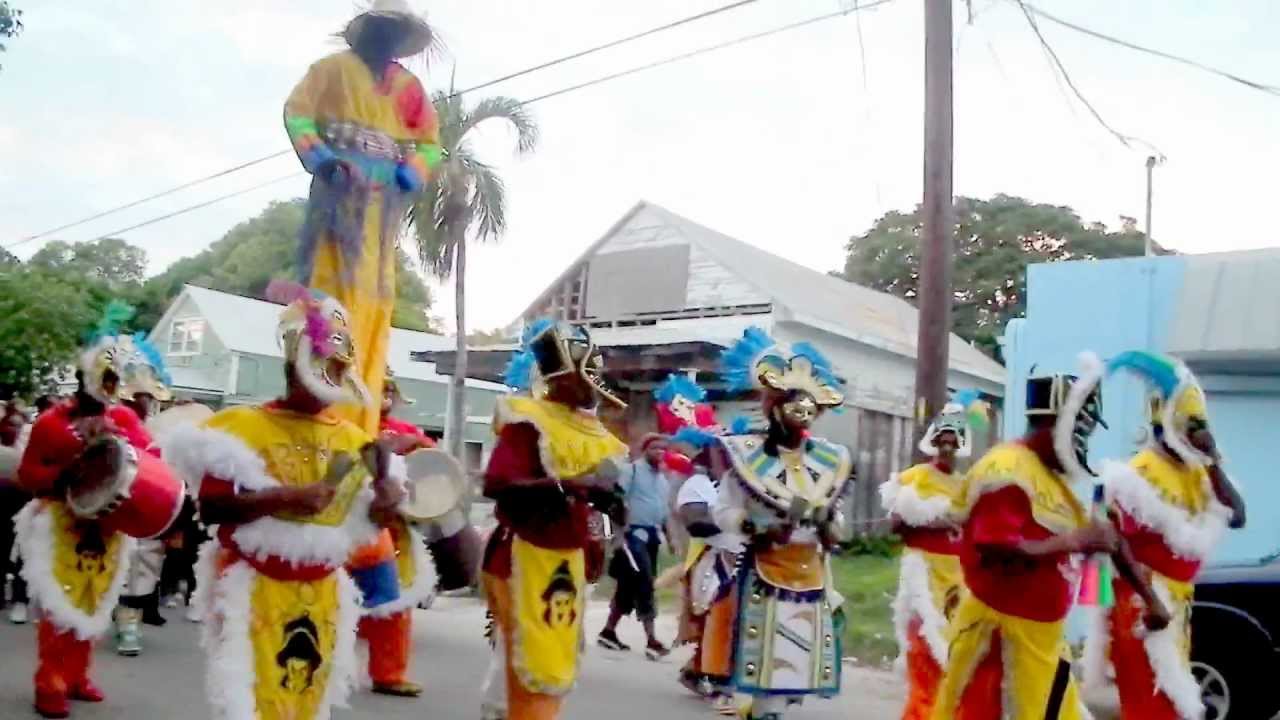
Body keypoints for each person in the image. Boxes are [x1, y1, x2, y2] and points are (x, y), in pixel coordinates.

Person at [161, 286, 407, 720]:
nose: (329, 376)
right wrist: (285, 498)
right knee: (254, 703)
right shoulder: (242, 427)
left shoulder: (354, 439)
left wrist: (387, 503)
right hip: (256, 589)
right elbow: (212, 510)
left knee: (307, 699)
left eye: (337, 366)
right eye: (321, 364)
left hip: (326, 592)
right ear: (294, 364)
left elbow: (365, 523)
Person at [931, 357, 1170, 720]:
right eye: (1082, 430)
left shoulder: (1057, 478)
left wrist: (1150, 599)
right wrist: (1073, 541)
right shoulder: (1007, 469)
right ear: (1057, 423)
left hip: (1043, 640)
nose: (1085, 441)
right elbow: (997, 549)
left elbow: (1108, 538)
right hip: (1000, 639)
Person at [284, 0, 442, 434]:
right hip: (338, 193)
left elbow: (430, 143)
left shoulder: (410, 88)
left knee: (377, 299)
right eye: (381, 29)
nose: (386, 39)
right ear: (367, 30)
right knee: (330, 291)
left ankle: (361, 421)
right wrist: (323, 159)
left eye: (395, 32)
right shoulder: (330, 69)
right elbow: (298, 114)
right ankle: (320, 406)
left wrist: (411, 173)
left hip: (384, 205)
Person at [14, 303, 160, 718]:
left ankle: (78, 676)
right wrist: (72, 467)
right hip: (62, 524)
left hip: (109, 526)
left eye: (117, 379)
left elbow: (150, 460)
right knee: (61, 606)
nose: (112, 387)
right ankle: (51, 683)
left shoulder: (126, 418)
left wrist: (122, 443)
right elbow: (28, 475)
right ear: (84, 379)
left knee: (96, 603)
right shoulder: (49, 423)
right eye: (106, 378)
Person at [1083, 352, 1246, 720]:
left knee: (1170, 707)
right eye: (1190, 425)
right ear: (1168, 422)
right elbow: (1113, 541)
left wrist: (1213, 458)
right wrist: (1151, 600)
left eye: (1200, 425)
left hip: (1176, 606)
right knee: (1150, 706)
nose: (1197, 433)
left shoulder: (1197, 472)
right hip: (1142, 607)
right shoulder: (1140, 472)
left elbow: (1237, 516)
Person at [482, 319, 629, 720]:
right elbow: (497, 484)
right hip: (523, 554)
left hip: (568, 557)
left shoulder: (596, 432)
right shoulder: (527, 418)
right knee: (525, 652)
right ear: (563, 376)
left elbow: (599, 505)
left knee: (544, 653)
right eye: (587, 373)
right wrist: (570, 484)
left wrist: (606, 523)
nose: (594, 383)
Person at [712, 328, 853, 720]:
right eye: (792, 405)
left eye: (809, 408)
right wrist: (757, 528)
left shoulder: (828, 461)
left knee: (794, 676)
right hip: (765, 572)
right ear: (774, 408)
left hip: (812, 574)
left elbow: (837, 524)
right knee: (768, 676)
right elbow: (723, 509)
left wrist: (829, 527)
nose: (802, 415)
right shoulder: (747, 456)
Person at [880, 395, 981, 720]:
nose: (947, 449)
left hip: (957, 580)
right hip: (922, 575)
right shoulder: (914, 478)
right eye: (942, 441)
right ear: (933, 443)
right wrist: (926, 517)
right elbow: (895, 525)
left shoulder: (966, 486)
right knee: (924, 653)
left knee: (956, 660)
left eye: (953, 442)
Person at [345, 367, 437, 698]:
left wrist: (413, 442)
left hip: (390, 532)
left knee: (395, 603)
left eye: (389, 392)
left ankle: (390, 673)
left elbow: (433, 465)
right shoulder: (345, 424)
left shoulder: (405, 431)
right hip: (341, 528)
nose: (384, 398)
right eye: (378, 390)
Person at [113, 333, 174, 655]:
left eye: (149, 396)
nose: (146, 401)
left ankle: (129, 623)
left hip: (147, 502)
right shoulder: (112, 420)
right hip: (113, 502)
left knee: (144, 561)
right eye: (140, 396)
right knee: (117, 560)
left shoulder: (158, 427)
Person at [673, 450, 744, 715]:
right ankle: (721, 683)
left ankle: (697, 670)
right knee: (722, 619)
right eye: (721, 453)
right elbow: (696, 524)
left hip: (750, 559)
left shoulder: (746, 484)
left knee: (737, 621)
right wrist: (740, 523)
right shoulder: (697, 486)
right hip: (718, 561)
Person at [597, 433, 672, 659]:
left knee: (627, 587)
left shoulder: (663, 479)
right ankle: (652, 640)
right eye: (654, 448)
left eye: (662, 449)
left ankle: (608, 632)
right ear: (644, 450)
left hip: (652, 537)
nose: (659, 453)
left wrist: (672, 537)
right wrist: (617, 534)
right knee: (645, 583)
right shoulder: (632, 471)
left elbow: (663, 511)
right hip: (632, 537)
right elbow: (616, 501)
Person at [1, 400, 32, 625]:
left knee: (23, 549)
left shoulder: (28, 444)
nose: (15, 428)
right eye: (11, 424)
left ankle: (20, 598)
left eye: (18, 424)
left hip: (23, 500)